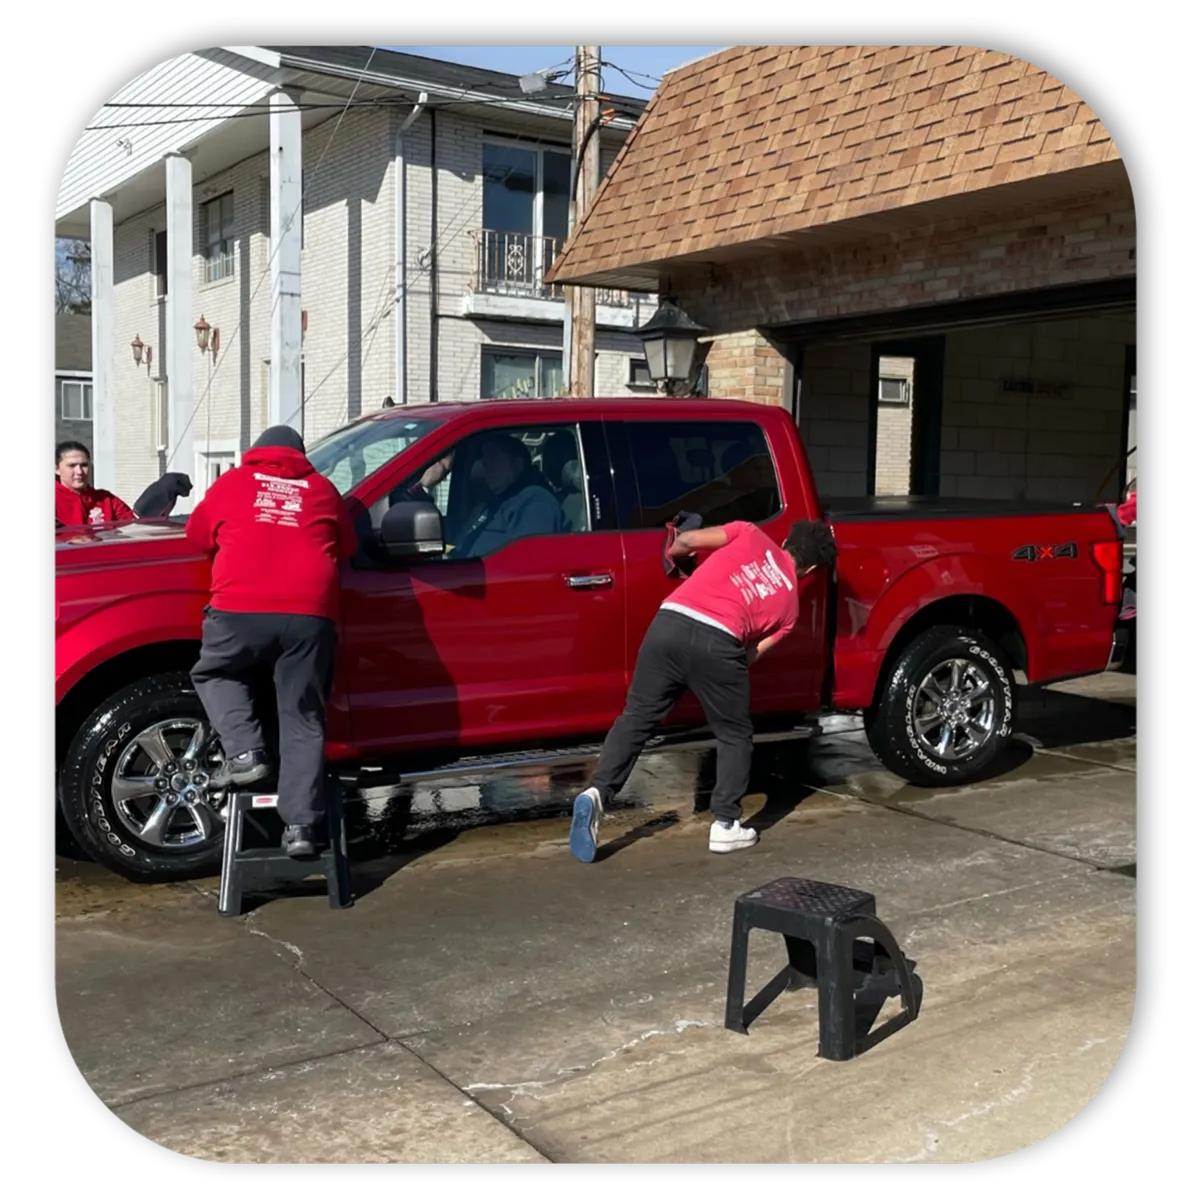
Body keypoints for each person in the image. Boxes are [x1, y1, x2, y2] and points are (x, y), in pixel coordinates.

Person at [569, 518, 839, 862]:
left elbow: (687, 540)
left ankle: (597, 792)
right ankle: (726, 824)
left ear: (786, 540)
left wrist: (675, 553)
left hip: (669, 622)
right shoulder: (790, 611)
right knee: (735, 734)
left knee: (636, 717)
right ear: (812, 567)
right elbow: (749, 655)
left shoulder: (750, 532)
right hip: (721, 641)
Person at [186, 426, 358, 858]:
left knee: (216, 671)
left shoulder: (233, 483)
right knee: (302, 716)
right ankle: (300, 827)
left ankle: (245, 753)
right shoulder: (321, 488)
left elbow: (196, 536)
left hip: (239, 611)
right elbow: (349, 545)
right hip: (308, 614)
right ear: (300, 454)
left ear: (256, 452)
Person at [447, 434, 564, 559]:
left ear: (518, 464)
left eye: (495, 461)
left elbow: (526, 562)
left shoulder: (535, 502)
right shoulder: (489, 504)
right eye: (486, 463)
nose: (488, 468)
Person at [54, 441, 136, 527]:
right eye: (72, 465)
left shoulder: (107, 500)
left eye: (84, 465)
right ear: (57, 469)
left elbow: (133, 529)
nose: (79, 471)